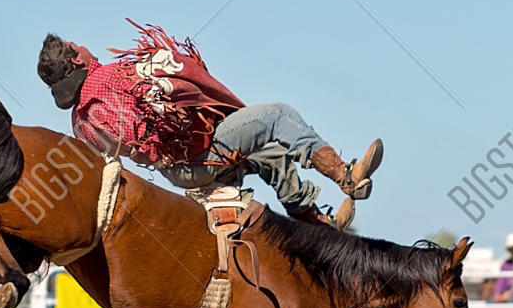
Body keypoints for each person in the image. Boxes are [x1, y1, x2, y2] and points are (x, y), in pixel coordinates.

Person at [36, 27, 380, 230]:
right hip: (198, 155)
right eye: (75, 45)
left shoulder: (80, 122)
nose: (82, 46)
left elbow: (117, 156)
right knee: (276, 115)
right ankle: (345, 175)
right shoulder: (109, 77)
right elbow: (163, 94)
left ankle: (314, 223)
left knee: (267, 151)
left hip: (176, 173)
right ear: (75, 58)